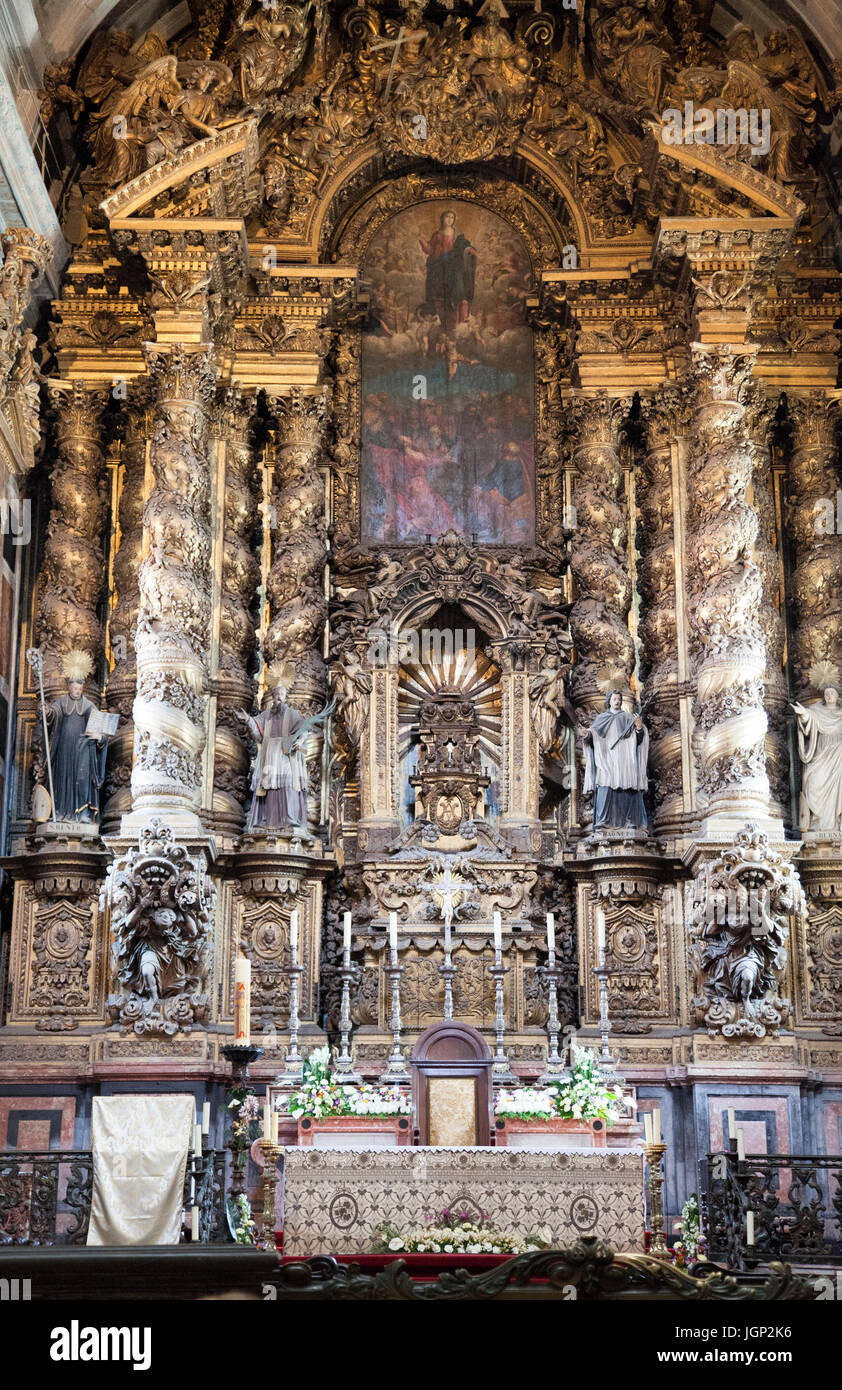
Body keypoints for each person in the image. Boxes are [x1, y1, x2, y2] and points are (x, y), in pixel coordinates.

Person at [43, 650, 108, 822]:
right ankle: (61, 813)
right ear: (69, 687)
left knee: (81, 779)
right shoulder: (62, 702)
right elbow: (53, 713)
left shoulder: (89, 706)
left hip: (83, 748)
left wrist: (100, 738)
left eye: (80, 689)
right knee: (63, 779)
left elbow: (100, 731)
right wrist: (46, 711)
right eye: (74, 688)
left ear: (82, 688)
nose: (77, 691)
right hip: (64, 746)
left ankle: (83, 812)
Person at [583, 687, 649, 830]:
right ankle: (603, 820)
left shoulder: (628, 718)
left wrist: (638, 728)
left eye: (619, 699)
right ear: (609, 702)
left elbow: (638, 741)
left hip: (625, 759)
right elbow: (592, 735)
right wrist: (586, 734)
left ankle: (630, 821)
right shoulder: (601, 718)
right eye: (614, 699)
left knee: (627, 786)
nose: (617, 701)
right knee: (605, 784)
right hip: (607, 758)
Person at [791, 680, 842, 831]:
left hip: (838, 751)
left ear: (837, 696)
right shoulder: (816, 710)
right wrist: (804, 713)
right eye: (827, 694)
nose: (829, 696)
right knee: (813, 782)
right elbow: (809, 718)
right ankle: (817, 820)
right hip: (821, 751)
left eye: (832, 693)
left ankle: (835, 822)